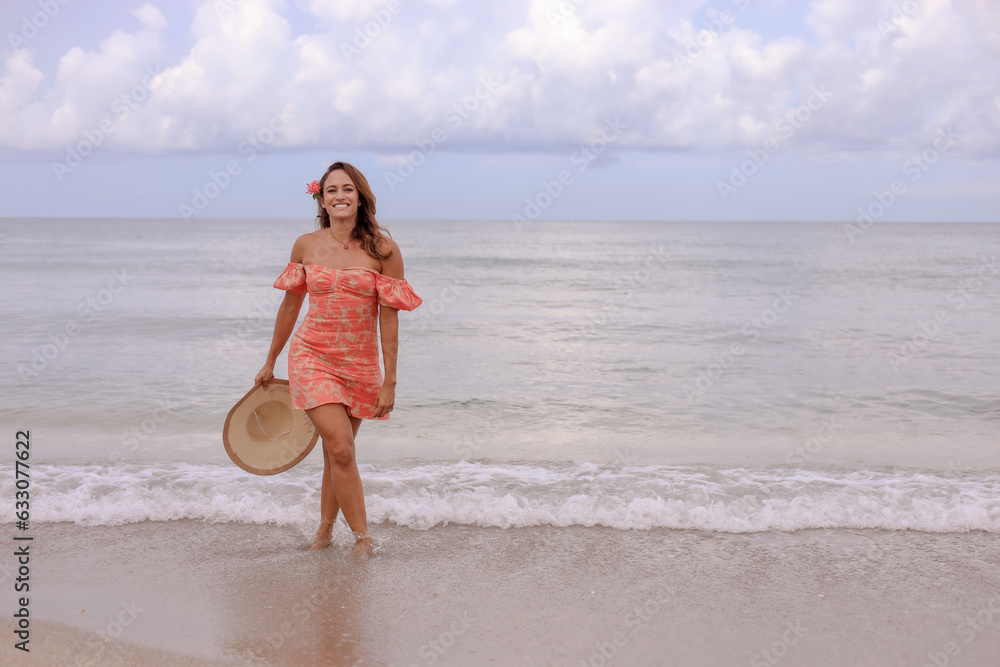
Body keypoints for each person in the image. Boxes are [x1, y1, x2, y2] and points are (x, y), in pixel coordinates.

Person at [254, 161, 422, 556]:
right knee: (342, 447)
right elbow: (290, 307)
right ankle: (363, 539)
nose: (340, 195)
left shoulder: (384, 250)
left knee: (337, 453)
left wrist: (390, 379)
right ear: (322, 199)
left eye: (348, 189)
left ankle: (324, 532)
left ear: (360, 197)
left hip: (361, 364)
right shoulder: (305, 245)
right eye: (332, 190)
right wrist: (270, 359)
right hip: (312, 355)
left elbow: (389, 319)